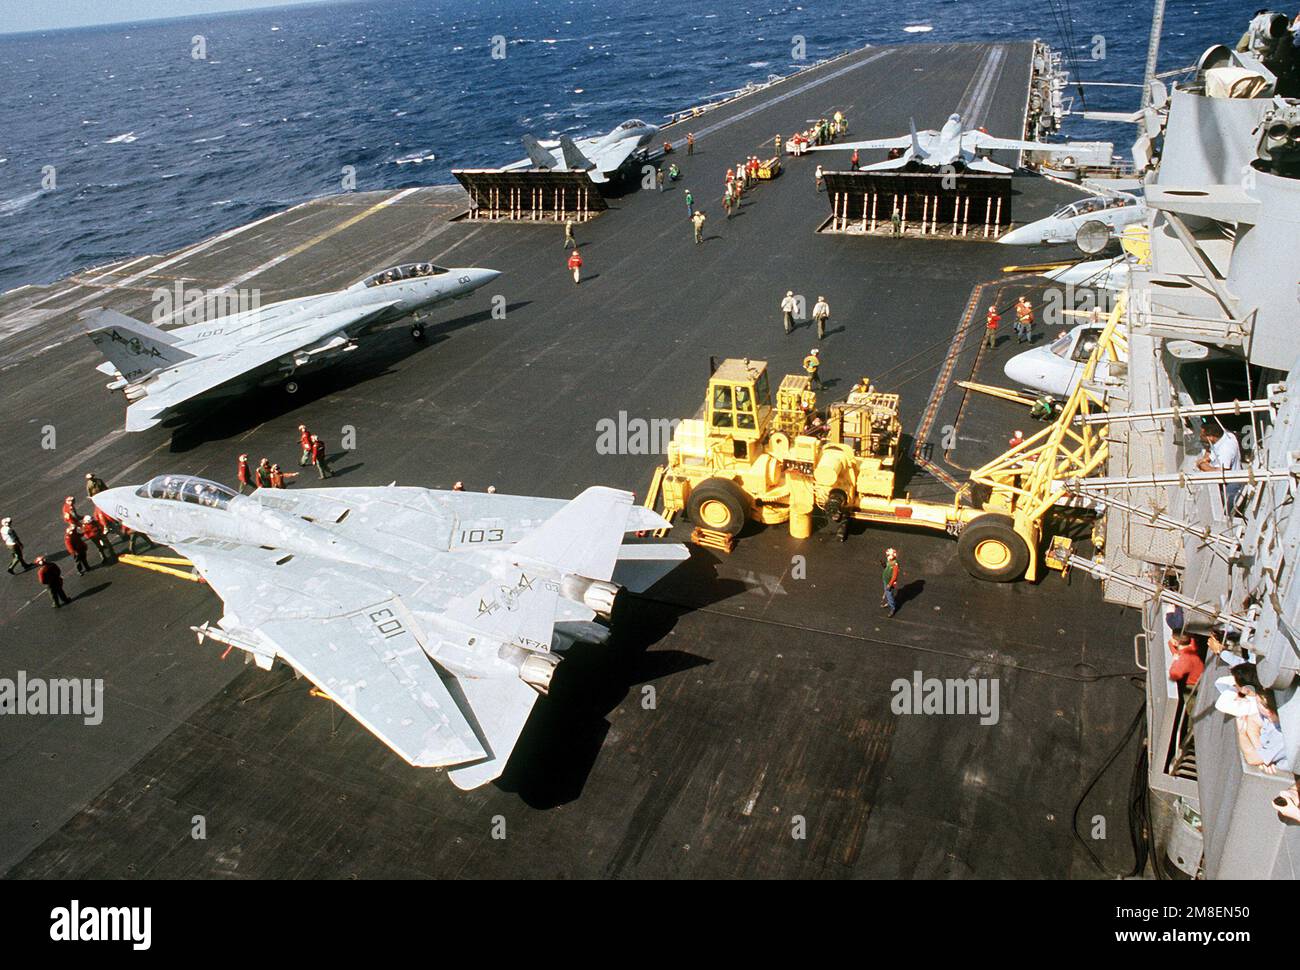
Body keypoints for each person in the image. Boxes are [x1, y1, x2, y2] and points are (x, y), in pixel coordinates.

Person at [1196, 420, 1242, 510]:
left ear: (1211, 437)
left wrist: (1202, 465)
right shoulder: (1224, 436)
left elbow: (1221, 472)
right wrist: (1206, 459)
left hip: (1230, 484)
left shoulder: (1226, 449)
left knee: (1225, 510)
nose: (1200, 436)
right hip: (1226, 479)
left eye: (1202, 435)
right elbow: (1212, 450)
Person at [881, 548, 901, 617]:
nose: (887, 557)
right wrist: (884, 566)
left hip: (890, 583)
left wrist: (890, 584)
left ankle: (892, 608)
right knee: (887, 593)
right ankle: (890, 603)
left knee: (889, 595)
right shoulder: (889, 561)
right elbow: (887, 568)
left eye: (888, 555)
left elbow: (894, 576)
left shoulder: (895, 565)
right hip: (885, 580)